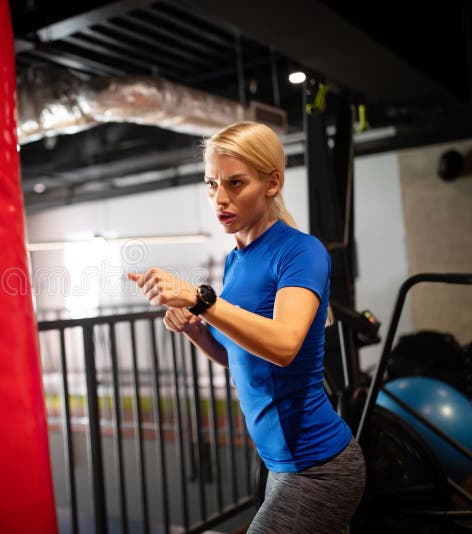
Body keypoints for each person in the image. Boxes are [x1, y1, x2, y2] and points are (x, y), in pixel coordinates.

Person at [127, 121, 366, 533]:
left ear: (272, 183)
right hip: (282, 464)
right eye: (211, 184)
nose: (220, 199)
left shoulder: (300, 252)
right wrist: (196, 330)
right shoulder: (237, 259)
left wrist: (202, 300)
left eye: (235, 183)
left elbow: (284, 345)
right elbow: (237, 356)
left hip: (318, 466)